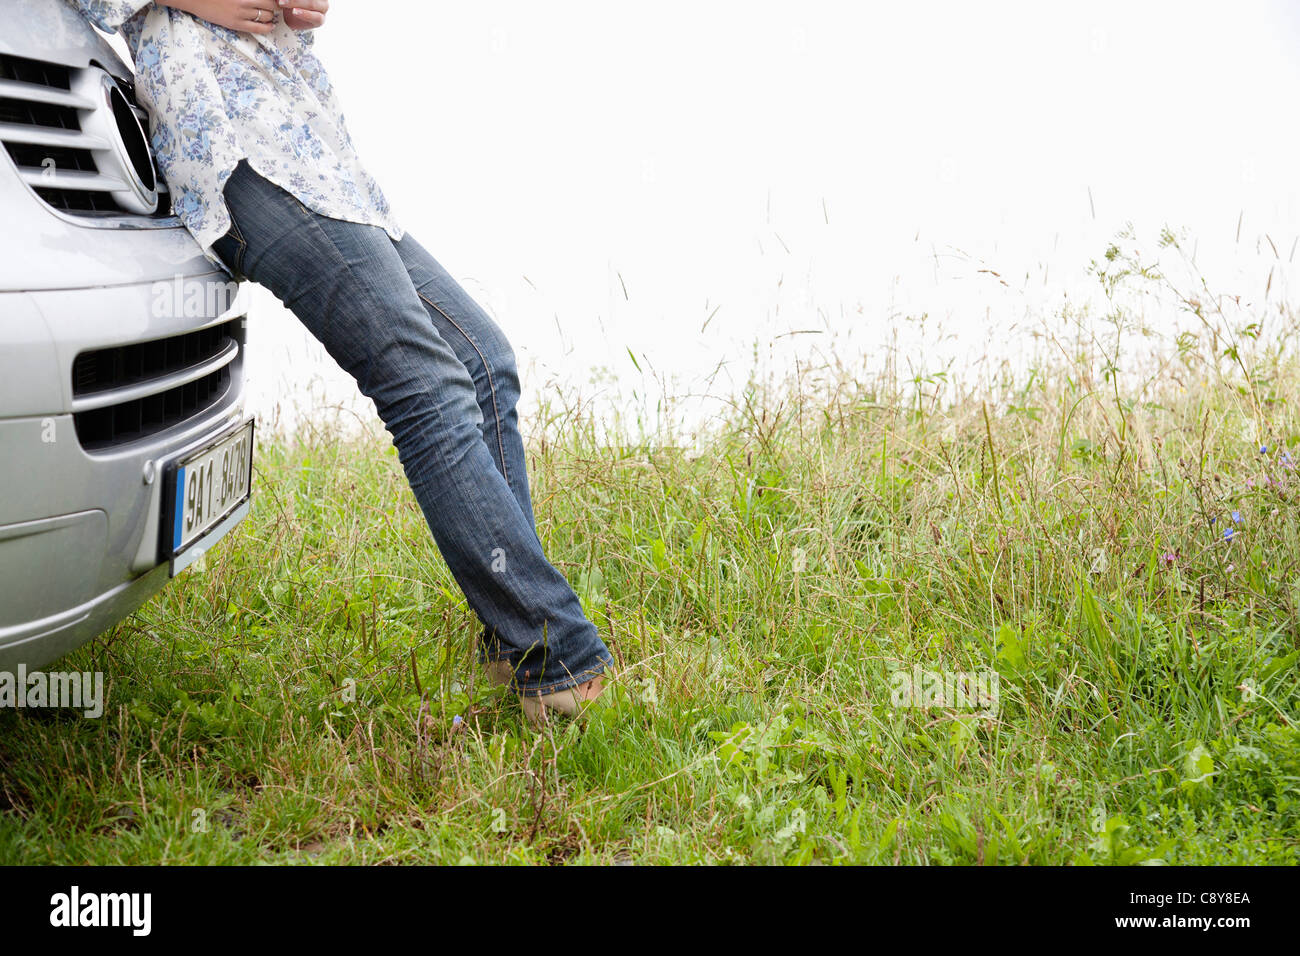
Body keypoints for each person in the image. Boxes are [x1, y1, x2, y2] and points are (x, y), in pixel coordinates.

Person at [71, 0, 612, 724]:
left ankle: (513, 645)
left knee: (483, 362)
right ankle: (557, 661)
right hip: (233, 143)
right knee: (424, 382)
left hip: (312, 146)